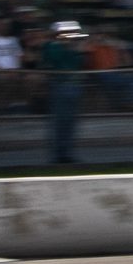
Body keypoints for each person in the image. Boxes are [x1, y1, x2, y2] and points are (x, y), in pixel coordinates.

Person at [41, 21, 86, 164]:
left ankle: (67, 153)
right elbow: (54, 59)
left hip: (73, 86)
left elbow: (79, 63)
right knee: (59, 122)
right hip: (59, 86)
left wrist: (75, 48)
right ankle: (58, 155)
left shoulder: (76, 48)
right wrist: (68, 47)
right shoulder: (51, 46)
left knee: (70, 123)